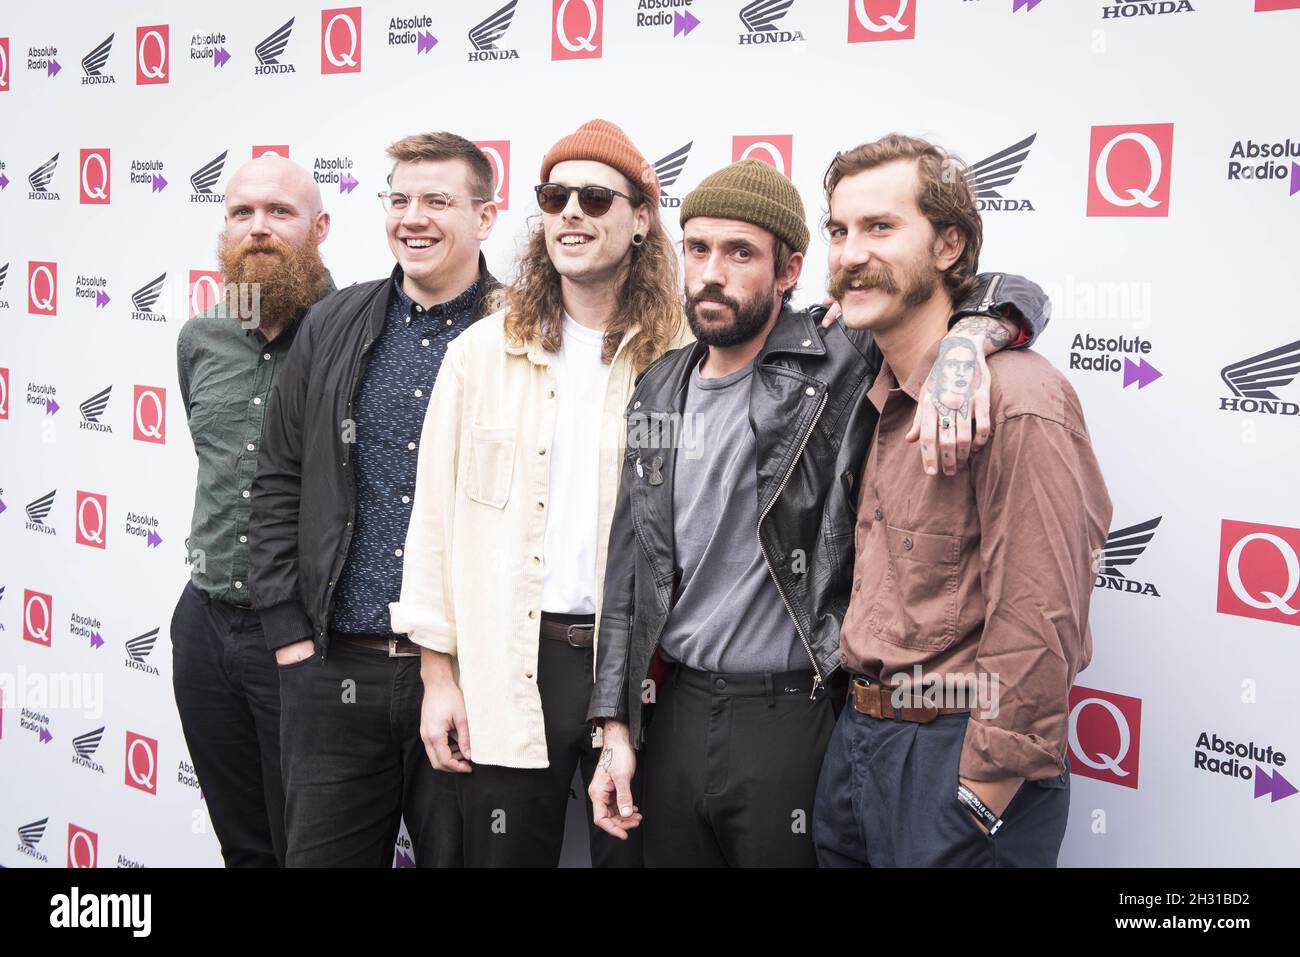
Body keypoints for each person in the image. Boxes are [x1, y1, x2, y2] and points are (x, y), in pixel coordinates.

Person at [587, 158, 1050, 867]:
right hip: (674, 710)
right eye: (699, 248)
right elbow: (628, 570)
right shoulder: (659, 387)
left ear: (789, 269)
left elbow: (1008, 291)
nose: (712, 272)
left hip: (793, 710)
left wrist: (966, 341)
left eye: (741, 252)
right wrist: (614, 726)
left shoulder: (838, 353)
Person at [391, 120, 689, 867]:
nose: (573, 214)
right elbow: (431, 522)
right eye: (556, 196)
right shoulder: (480, 354)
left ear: (642, 218)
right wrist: (437, 676)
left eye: (596, 196)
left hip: (641, 674)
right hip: (507, 666)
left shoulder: (684, 356)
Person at [812, 133, 1111, 867]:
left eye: (881, 227)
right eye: (839, 230)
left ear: (948, 246)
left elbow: (1042, 612)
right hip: (858, 743)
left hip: (957, 757)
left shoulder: (1018, 397)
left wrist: (984, 784)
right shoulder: (863, 375)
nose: (851, 252)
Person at [249, 132, 503, 867]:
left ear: (486, 218)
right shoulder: (333, 323)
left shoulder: (522, 332)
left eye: (437, 201)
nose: (412, 217)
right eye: (399, 199)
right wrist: (291, 636)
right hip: (336, 670)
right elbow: (278, 476)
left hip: (467, 680)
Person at [172, 154, 333, 867]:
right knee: (243, 845)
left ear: (319, 228)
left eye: (279, 213)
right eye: (243, 213)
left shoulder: (352, 334)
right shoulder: (200, 337)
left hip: (303, 639)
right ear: (224, 228)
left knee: (312, 848)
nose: (258, 229)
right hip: (204, 626)